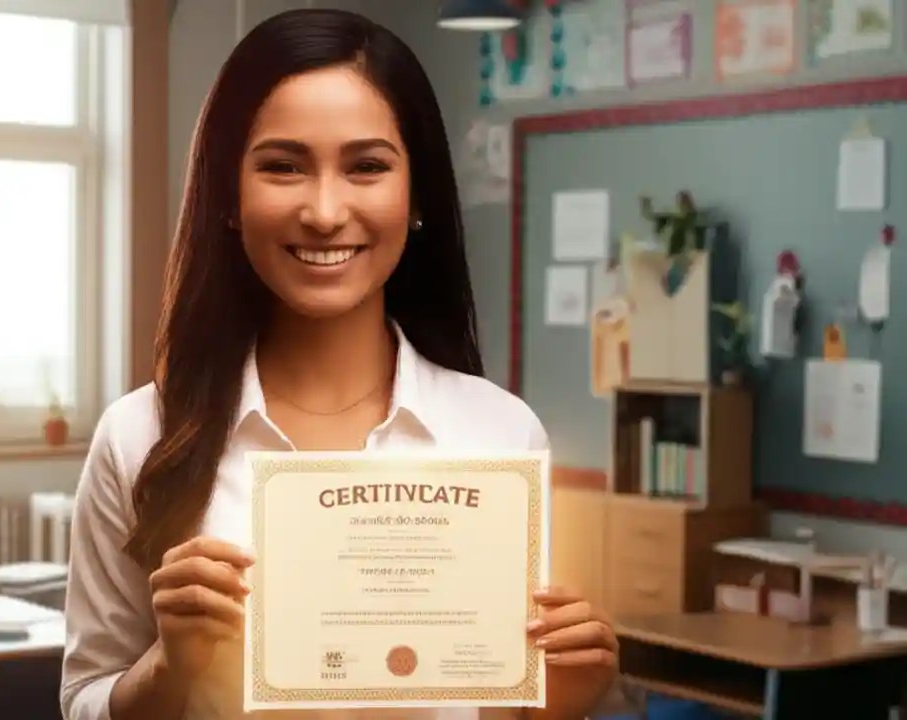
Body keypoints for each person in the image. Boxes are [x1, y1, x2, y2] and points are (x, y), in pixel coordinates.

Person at [60, 8, 617, 720]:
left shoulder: (501, 434)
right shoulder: (140, 436)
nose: (325, 212)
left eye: (367, 167)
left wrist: (558, 701)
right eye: (283, 166)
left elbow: (496, 701)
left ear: (416, 197)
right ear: (229, 197)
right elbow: (83, 702)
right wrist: (169, 669)